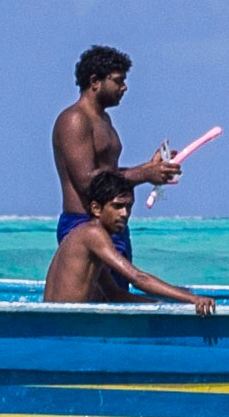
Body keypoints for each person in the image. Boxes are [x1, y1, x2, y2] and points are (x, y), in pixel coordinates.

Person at [48, 45, 212, 309]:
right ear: (95, 82)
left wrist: (151, 168)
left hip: (108, 223)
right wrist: (145, 174)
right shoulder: (75, 120)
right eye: (118, 80)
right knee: (97, 302)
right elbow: (89, 182)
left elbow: (110, 175)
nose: (125, 87)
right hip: (83, 221)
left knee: (115, 298)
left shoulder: (105, 121)